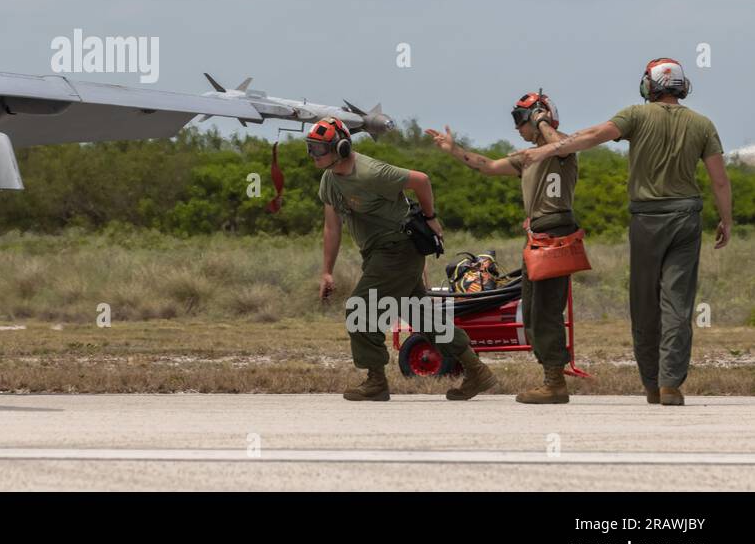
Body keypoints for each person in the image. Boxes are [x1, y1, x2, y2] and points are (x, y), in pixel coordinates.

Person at [522, 59, 732, 406]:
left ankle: (651, 383)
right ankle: (671, 385)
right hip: (687, 218)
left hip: (647, 220)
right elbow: (719, 179)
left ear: (649, 86)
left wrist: (551, 147)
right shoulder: (703, 124)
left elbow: (591, 137)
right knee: (678, 303)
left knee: (644, 302)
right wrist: (726, 220)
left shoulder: (634, 115)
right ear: (682, 86)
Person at [312, 117, 495, 401]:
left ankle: (375, 381)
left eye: (319, 149)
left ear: (342, 147)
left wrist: (431, 218)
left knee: (359, 309)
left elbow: (421, 180)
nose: (313, 155)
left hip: (398, 248)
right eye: (311, 148)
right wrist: (327, 271)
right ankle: (476, 370)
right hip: (377, 254)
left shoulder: (371, 172)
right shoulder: (330, 180)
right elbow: (331, 226)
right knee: (420, 314)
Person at [426, 90, 578, 404]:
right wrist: (454, 150)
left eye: (520, 119)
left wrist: (541, 120)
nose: (517, 127)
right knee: (533, 312)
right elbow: (488, 166)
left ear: (539, 117)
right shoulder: (528, 158)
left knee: (546, 312)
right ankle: (551, 379)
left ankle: (555, 384)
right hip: (536, 235)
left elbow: (559, 145)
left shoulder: (564, 146)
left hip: (555, 232)